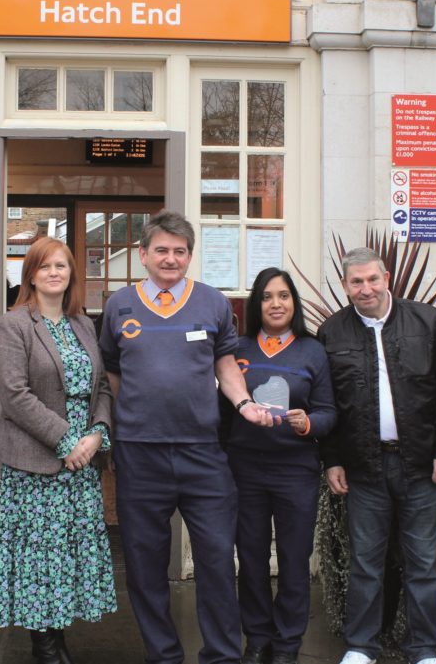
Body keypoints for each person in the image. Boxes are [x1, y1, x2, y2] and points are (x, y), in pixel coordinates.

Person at [99, 211, 273, 664]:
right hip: (141, 456)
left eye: (179, 251)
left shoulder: (212, 303)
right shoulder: (120, 305)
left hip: (203, 453)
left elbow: (225, 365)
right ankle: (164, 655)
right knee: (144, 564)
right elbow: (113, 373)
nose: (170, 258)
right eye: (161, 250)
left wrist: (243, 403)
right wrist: (125, 427)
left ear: (190, 256)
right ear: (142, 254)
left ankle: (220, 655)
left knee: (217, 559)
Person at [317, 247, 436, 664]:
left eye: (372, 279)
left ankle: (422, 649)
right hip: (364, 468)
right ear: (345, 284)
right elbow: (326, 403)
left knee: (423, 564)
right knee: (365, 564)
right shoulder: (333, 333)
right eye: (356, 281)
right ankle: (361, 647)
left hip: (423, 466)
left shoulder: (429, 322)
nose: (365, 288)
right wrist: (332, 459)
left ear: (387, 278)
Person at [0, 237, 117, 664]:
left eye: (62, 265)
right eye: (45, 266)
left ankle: (58, 636)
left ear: (71, 274)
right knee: (37, 557)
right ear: (31, 274)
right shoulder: (15, 324)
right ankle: (43, 644)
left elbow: (100, 387)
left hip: (81, 462)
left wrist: (97, 433)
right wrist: (66, 441)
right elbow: (14, 395)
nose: (54, 272)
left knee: (66, 554)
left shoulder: (83, 325)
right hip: (37, 461)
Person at [221, 268, 336, 664]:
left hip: (296, 469)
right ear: (257, 304)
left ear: (294, 303)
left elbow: (329, 412)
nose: (276, 304)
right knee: (250, 557)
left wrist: (310, 423)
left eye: (283, 296)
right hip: (245, 468)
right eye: (267, 296)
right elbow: (222, 412)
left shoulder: (312, 351)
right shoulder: (238, 350)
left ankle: (287, 643)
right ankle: (257, 638)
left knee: (293, 558)